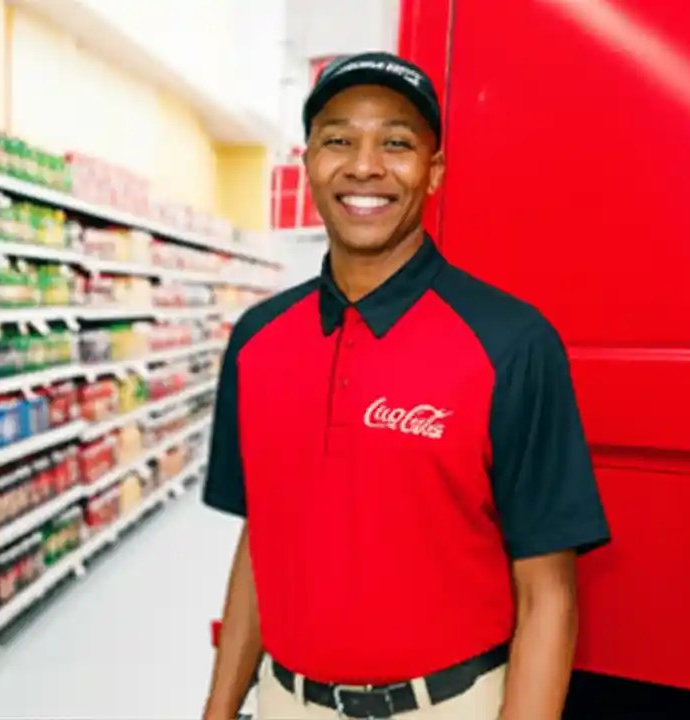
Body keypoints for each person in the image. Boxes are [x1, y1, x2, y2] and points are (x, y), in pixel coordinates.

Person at [200, 51, 611, 720]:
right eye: (338, 140)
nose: (364, 165)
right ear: (307, 164)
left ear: (434, 171)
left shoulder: (511, 342)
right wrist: (219, 708)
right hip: (285, 701)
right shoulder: (256, 340)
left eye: (396, 142)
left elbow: (548, 595)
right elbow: (260, 543)